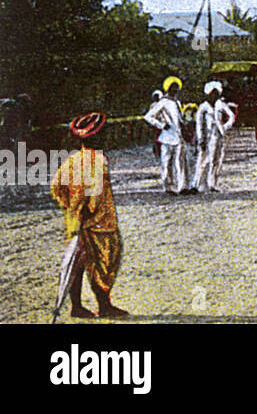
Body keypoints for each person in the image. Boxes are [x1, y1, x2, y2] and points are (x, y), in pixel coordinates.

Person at [50, 112, 127, 318]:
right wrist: (88, 209)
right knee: (104, 262)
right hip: (98, 222)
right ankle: (104, 305)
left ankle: (77, 306)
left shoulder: (72, 160)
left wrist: (70, 207)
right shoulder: (98, 161)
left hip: (75, 221)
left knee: (78, 262)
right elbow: (96, 192)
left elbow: (57, 187)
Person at [144, 77, 186, 194]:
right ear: (168, 88)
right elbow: (148, 116)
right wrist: (161, 125)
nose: (175, 90)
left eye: (176, 88)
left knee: (180, 163)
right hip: (167, 137)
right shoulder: (163, 102)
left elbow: (180, 118)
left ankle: (181, 187)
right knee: (166, 163)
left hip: (178, 136)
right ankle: (168, 186)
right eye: (173, 88)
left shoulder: (177, 102)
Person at [195, 82, 236, 193]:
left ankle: (212, 184)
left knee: (216, 160)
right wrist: (201, 139)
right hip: (207, 135)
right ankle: (198, 184)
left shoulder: (220, 104)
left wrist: (224, 127)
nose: (214, 96)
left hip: (218, 135)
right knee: (204, 160)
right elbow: (199, 124)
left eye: (216, 93)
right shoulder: (203, 107)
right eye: (212, 93)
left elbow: (231, 116)